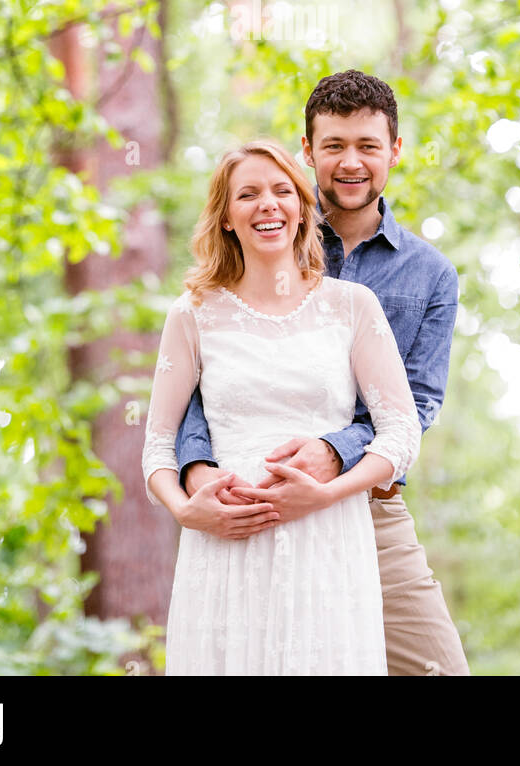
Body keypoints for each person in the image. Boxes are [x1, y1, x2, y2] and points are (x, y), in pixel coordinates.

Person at [177, 69, 470, 676]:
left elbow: (414, 406)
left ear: (394, 150)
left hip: (368, 500)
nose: (350, 162)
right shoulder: (265, 235)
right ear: (308, 152)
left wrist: (335, 454)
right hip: (248, 496)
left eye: (367, 145)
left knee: (439, 670)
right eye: (333, 146)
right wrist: (196, 466)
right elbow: (205, 376)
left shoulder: (430, 274)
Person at [141, 136, 421, 676]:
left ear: (301, 207)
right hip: (224, 547)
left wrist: (324, 494)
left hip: (329, 541)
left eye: (281, 191)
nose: (267, 204)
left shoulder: (351, 306)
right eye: (247, 195)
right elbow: (156, 443)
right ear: (225, 217)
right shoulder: (192, 314)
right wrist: (184, 509)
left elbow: (400, 434)